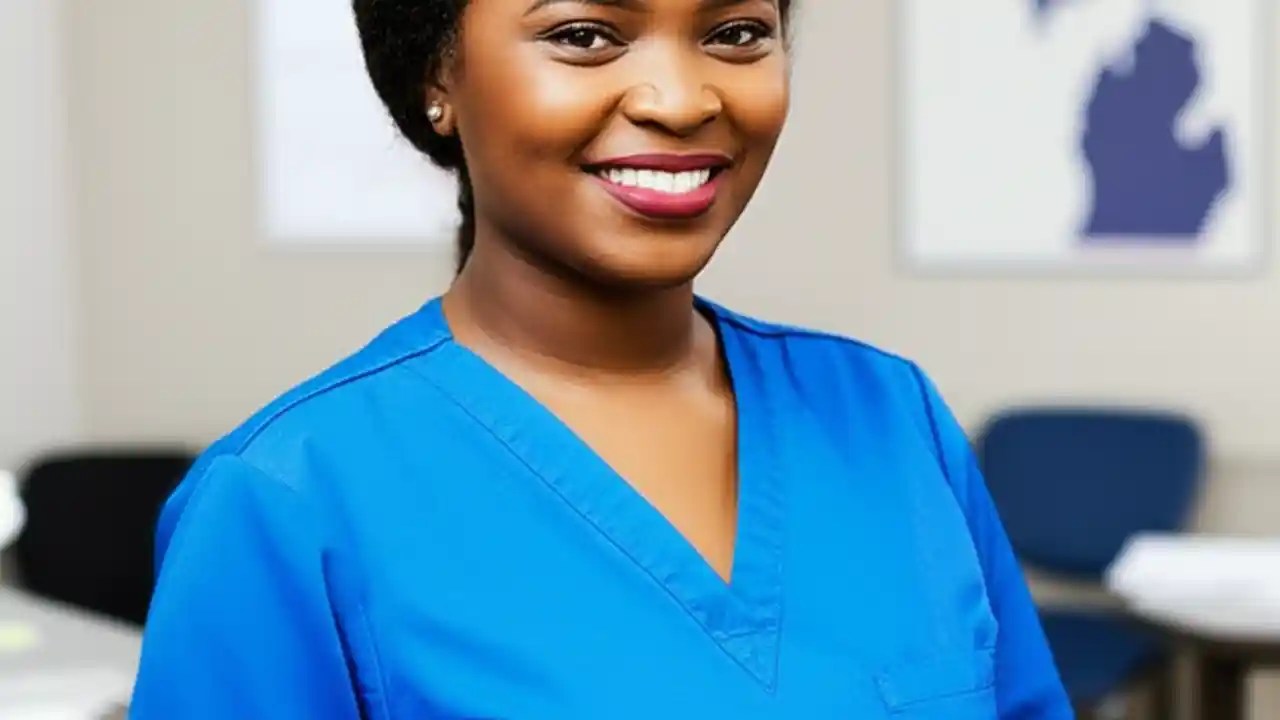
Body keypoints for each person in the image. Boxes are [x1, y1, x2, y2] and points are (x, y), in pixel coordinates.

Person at [130, 0, 1071, 717]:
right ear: (439, 74)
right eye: (585, 35)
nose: (682, 98)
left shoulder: (890, 417)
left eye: (737, 32)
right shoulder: (286, 498)